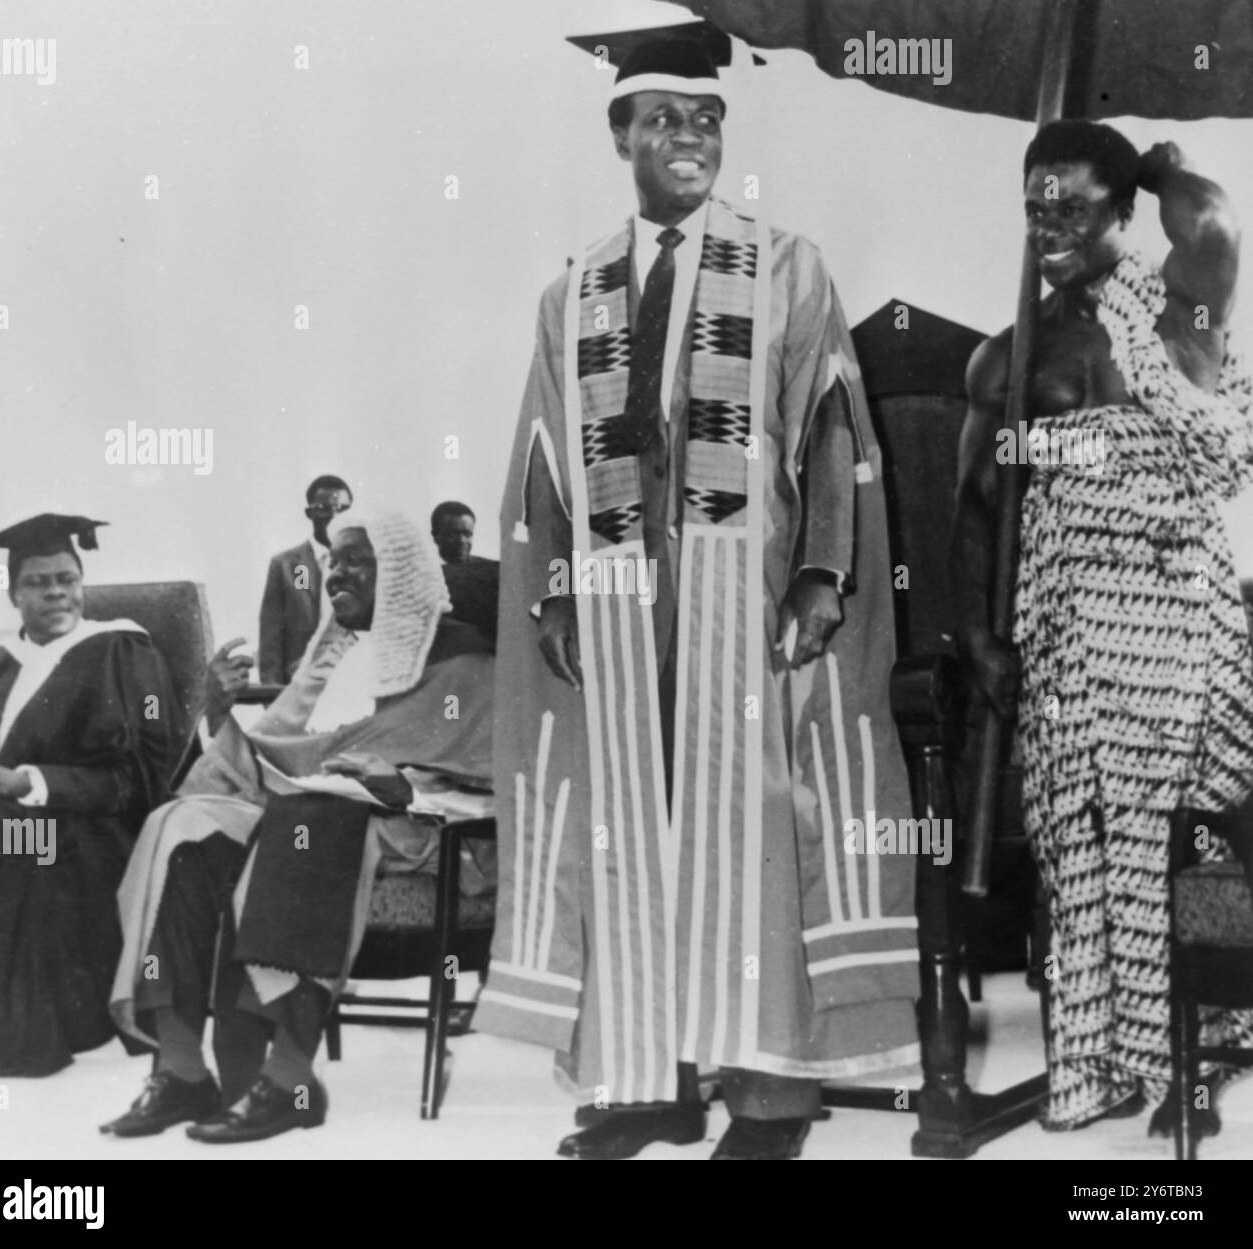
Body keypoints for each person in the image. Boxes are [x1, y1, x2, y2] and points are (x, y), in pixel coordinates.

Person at [473, 36, 920, 1161]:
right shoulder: (568, 291)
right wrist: (558, 594)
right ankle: (651, 1078)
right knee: (637, 824)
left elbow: (828, 424)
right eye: (664, 119)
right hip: (623, 606)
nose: (689, 139)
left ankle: (770, 1097)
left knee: (756, 827)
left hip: (745, 593)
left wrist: (821, 570)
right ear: (619, 134)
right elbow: (541, 462)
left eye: (706, 119)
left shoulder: (784, 264)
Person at [952, 120, 1253, 1134]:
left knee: (1175, 847)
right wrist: (982, 638)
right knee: (1074, 843)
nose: (1049, 224)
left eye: (1075, 206)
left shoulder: (1177, 325)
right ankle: (1094, 1061)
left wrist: (1161, 169)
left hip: (1173, 612)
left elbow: (1210, 220)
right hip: (1067, 618)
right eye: (1036, 205)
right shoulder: (1009, 350)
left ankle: (1190, 1069)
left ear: (1123, 211)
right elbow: (979, 499)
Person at [103, 510, 495, 1143]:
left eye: (355, 561)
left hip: (404, 832)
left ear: (400, 574)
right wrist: (216, 713)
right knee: (179, 823)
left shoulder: (465, 663)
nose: (334, 572)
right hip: (289, 810)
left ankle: (289, 1081)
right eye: (333, 560)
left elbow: (489, 775)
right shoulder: (328, 660)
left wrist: (400, 786)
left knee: (312, 817)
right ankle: (180, 1068)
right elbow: (262, 758)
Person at [0, 513, 179, 1076]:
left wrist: (27, 781)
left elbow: (138, 780)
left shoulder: (120, 653)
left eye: (66, 579)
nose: (56, 591)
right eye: (38, 581)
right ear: (12, 593)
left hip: (84, 839)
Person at [258, 475, 353, 684]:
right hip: (299, 685)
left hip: (350, 685)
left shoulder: (364, 565)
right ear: (309, 513)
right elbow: (271, 643)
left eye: (342, 509)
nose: (334, 516)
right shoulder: (288, 565)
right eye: (323, 508)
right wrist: (272, 699)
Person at [431, 501, 499, 643]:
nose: (461, 540)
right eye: (454, 534)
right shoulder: (422, 572)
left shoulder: (493, 571)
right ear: (436, 536)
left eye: (467, 534)